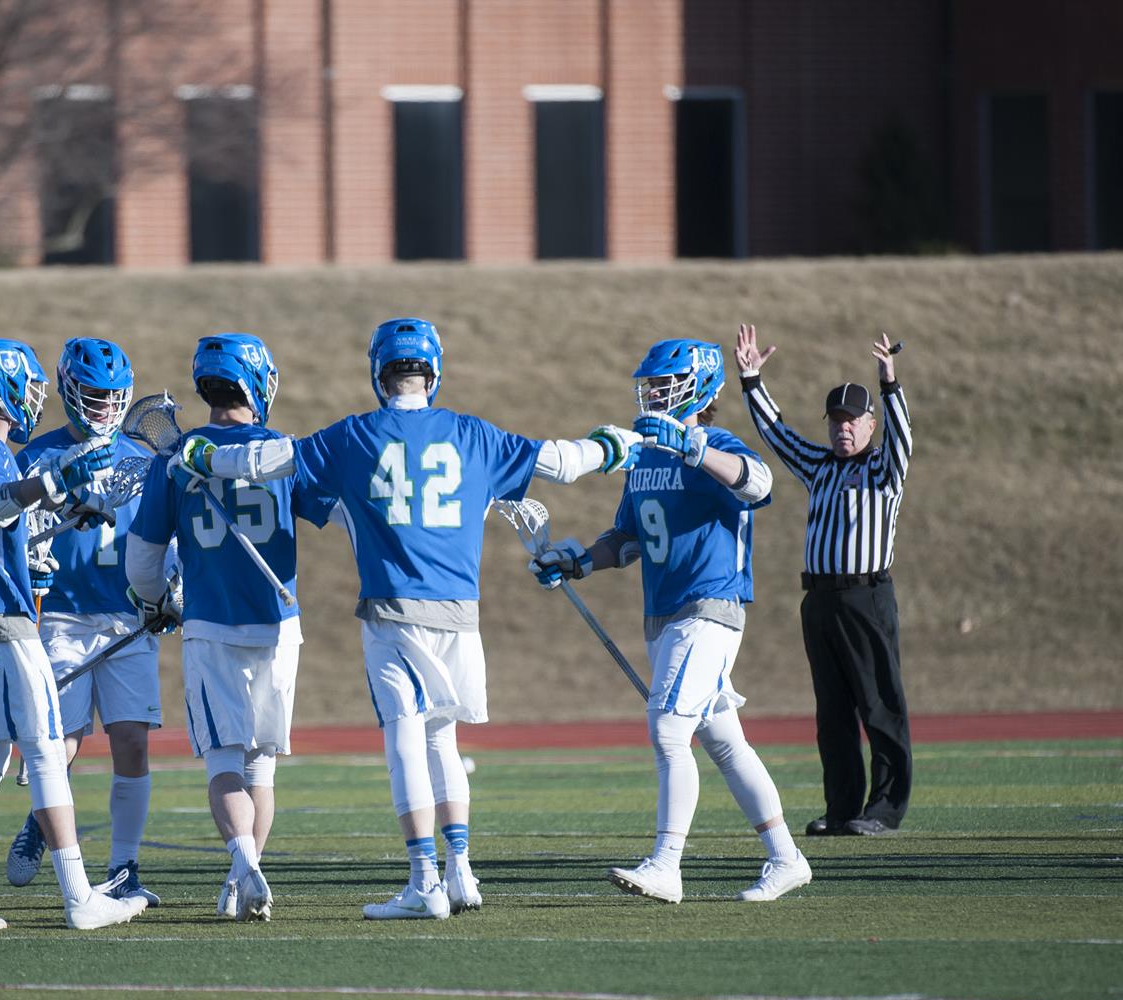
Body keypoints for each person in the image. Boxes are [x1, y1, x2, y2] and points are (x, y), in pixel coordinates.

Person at [174, 317, 642, 919]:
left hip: (394, 609)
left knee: (404, 738)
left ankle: (424, 881)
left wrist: (205, 454)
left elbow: (269, 461)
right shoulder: (474, 435)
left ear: (379, 372)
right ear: (433, 371)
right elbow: (563, 462)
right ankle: (460, 871)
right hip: (460, 612)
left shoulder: (356, 436)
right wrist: (617, 444)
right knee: (443, 737)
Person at [530, 337, 813, 903]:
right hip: (662, 613)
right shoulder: (643, 455)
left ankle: (667, 863)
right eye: (651, 385)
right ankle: (787, 857)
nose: (653, 393)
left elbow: (760, 484)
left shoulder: (717, 445)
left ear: (698, 388)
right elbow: (628, 538)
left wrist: (694, 448)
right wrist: (581, 561)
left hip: (709, 606)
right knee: (725, 743)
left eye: (665, 385)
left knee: (666, 729)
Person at [0, 336, 148, 931]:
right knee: (45, 750)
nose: (37, 398)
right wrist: (54, 479)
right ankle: (79, 897)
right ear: (5, 387)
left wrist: (49, 528)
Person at [126, 333, 335, 922]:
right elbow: (336, 510)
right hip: (277, 624)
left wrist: (157, 601)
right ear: (258, 382)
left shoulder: (178, 459)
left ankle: (245, 865)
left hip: (211, 625)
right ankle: (245, 875)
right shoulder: (284, 452)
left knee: (223, 762)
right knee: (261, 766)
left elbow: (142, 558)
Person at [2, 337, 165, 907]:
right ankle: (38, 820)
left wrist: (170, 589)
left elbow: (160, 540)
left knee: (132, 744)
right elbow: (8, 537)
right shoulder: (35, 457)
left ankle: (124, 868)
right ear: (69, 392)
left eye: (114, 396)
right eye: (93, 396)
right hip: (62, 615)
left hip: (127, 618)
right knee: (61, 745)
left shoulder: (143, 460)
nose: (105, 407)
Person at [736, 324, 914, 837]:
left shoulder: (883, 468)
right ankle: (842, 810)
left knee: (879, 705)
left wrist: (889, 383)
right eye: (835, 420)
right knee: (832, 713)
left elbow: (904, 438)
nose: (842, 429)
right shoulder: (818, 465)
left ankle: (883, 810)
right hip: (818, 601)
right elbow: (777, 434)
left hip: (866, 596)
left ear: (869, 423)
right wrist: (751, 380)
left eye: (852, 420)